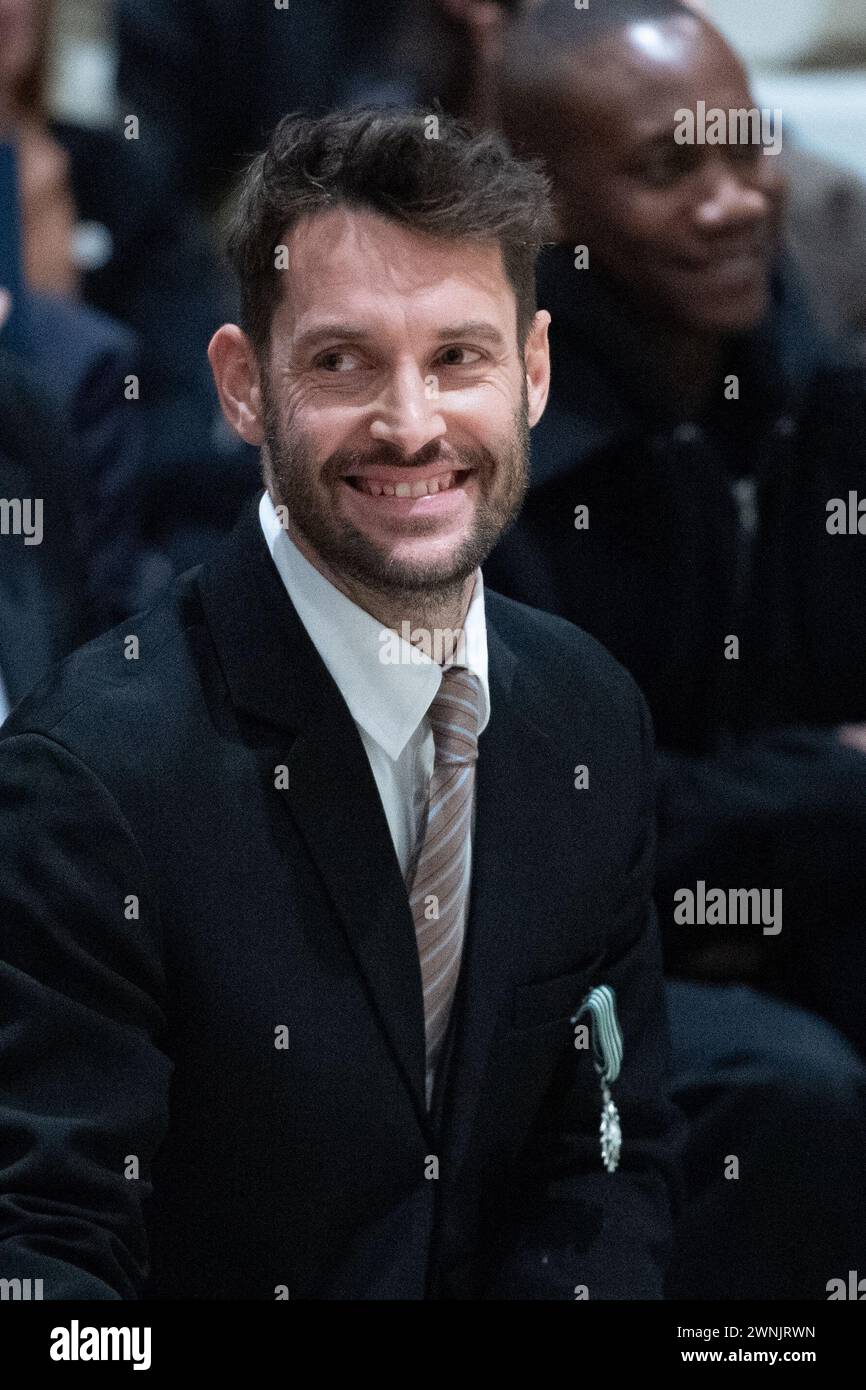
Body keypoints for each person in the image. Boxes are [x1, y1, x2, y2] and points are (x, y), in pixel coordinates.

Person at [0, 107, 681, 1300]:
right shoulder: (90, 774)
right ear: (242, 386)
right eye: (341, 361)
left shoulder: (588, 712)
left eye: (456, 358)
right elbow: (47, 1255)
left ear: (531, 370)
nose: (410, 424)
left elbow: (602, 1163)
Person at [479, 0, 866, 1295]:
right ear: (544, 202)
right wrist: (830, 777)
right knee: (787, 1085)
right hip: (569, 973)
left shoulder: (814, 394)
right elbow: (572, 825)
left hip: (806, 907)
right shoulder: (495, 460)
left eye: (743, 149)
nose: (731, 201)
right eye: (666, 170)